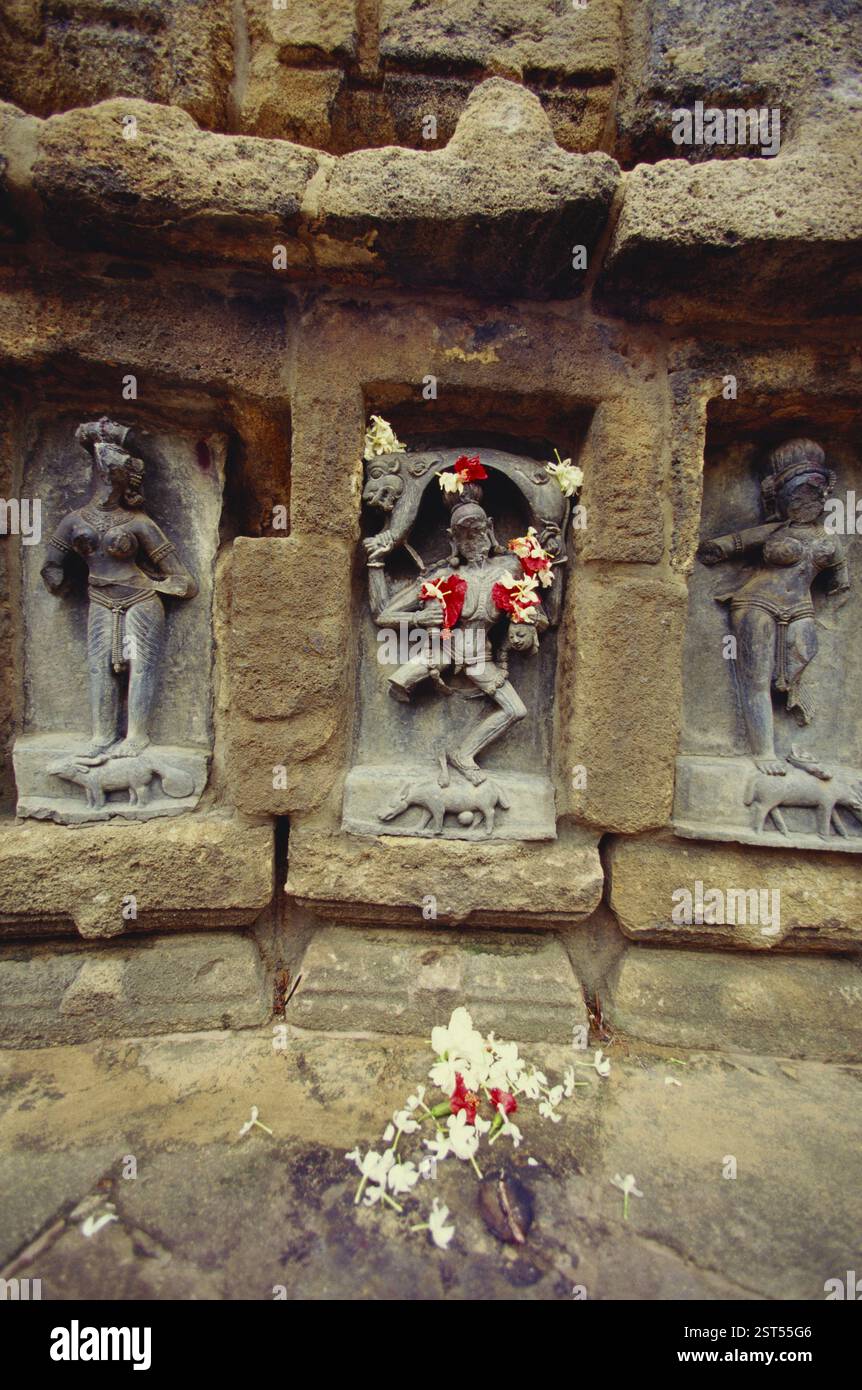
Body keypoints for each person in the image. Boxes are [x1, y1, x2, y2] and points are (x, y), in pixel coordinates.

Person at [40, 418, 198, 757]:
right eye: (105, 472)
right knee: (99, 666)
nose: (109, 479)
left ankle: (136, 735)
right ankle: (102, 735)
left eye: (117, 474)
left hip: (140, 600)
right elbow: (52, 564)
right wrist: (57, 579)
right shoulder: (74, 520)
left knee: (140, 664)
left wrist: (157, 585)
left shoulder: (139, 523)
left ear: (128, 481)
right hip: (99, 599)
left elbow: (184, 580)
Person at [697, 438, 849, 778]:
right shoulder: (773, 531)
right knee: (756, 678)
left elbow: (839, 586)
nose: (807, 502)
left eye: (814, 495)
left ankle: (793, 719)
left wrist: (829, 621)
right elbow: (723, 547)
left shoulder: (829, 541)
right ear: (781, 499)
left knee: (800, 659)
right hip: (756, 603)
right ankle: (764, 751)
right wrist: (715, 549)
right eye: (798, 496)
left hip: (800, 608)